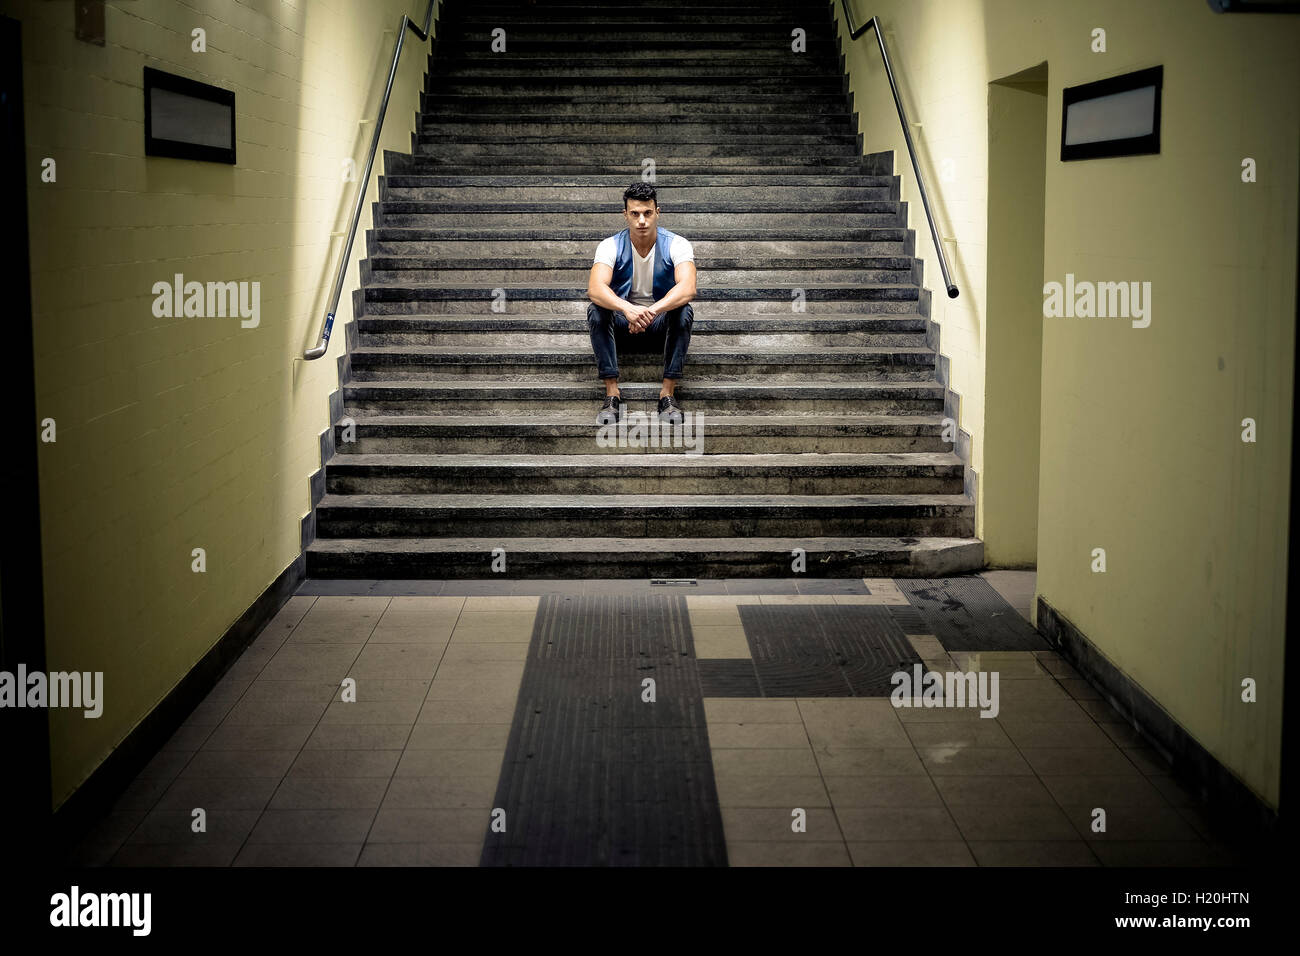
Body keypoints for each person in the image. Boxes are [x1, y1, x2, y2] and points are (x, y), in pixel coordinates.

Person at [586, 182, 697, 425]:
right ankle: (612, 393)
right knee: (596, 310)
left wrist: (651, 311)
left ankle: (667, 395)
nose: (642, 221)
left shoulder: (677, 244)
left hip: (659, 325)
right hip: (622, 325)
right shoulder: (610, 245)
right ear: (625, 214)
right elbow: (595, 288)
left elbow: (688, 288)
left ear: (658, 212)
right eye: (635, 214)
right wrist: (627, 309)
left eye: (647, 213)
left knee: (683, 311)